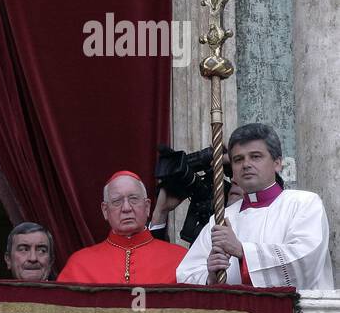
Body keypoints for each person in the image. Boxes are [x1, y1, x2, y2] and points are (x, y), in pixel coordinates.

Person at [178, 123, 334, 288]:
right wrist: (210, 277)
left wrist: (242, 252)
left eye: (256, 156)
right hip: (233, 311)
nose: (246, 164)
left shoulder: (304, 203)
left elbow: (305, 260)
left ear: (277, 163)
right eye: (238, 159)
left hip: (292, 312)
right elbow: (186, 274)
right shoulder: (220, 218)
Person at [58, 170, 186, 284]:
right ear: (105, 210)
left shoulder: (181, 259)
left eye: (134, 199)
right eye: (117, 201)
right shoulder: (79, 264)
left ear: (147, 207)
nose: (126, 208)